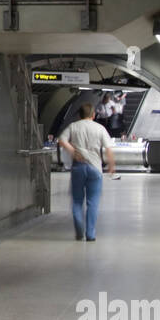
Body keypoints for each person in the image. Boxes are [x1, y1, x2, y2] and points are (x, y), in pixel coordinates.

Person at [58, 102, 117, 241]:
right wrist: (111, 166)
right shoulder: (100, 128)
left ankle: (79, 231)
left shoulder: (74, 126)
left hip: (78, 167)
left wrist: (72, 151)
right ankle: (90, 234)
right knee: (93, 203)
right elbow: (108, 148)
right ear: (93, 115)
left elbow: (61, 140)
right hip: (95, 168)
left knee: (77, 202)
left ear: (79, 115)